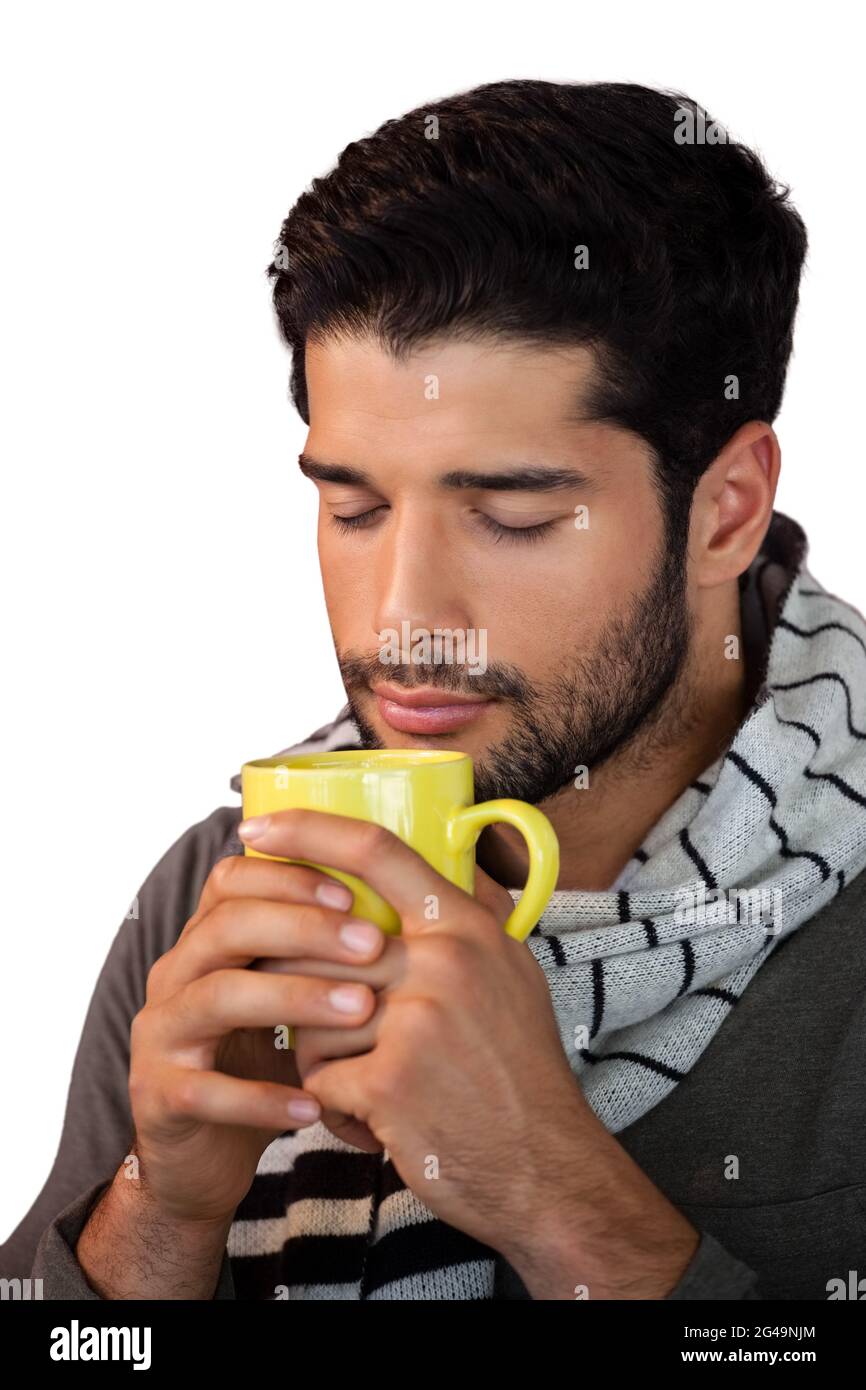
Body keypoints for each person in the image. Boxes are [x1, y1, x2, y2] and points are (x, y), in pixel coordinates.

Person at [3, 78, 865, 1301]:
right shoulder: (218, 893)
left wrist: (556, 1195)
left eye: (509, 517)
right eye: (352, 507)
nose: (403, 619)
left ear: (724, 510)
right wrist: (158, 1208)